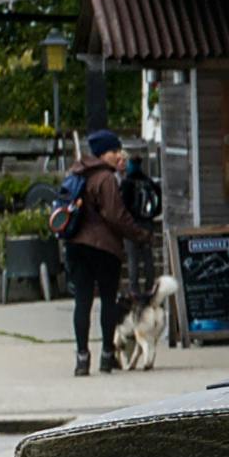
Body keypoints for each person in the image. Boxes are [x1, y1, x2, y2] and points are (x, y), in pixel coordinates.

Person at [60, 134, 139, 374]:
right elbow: (116, 215)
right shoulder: (106, 178)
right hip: (104, 248)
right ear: (102, 154)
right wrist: (140, 235)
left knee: (81, 302)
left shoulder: (75, 173)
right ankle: (107, 354)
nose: (118, 155)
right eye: (114, 151)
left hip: (76, 246)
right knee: (108, 300)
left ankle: (82, 359)